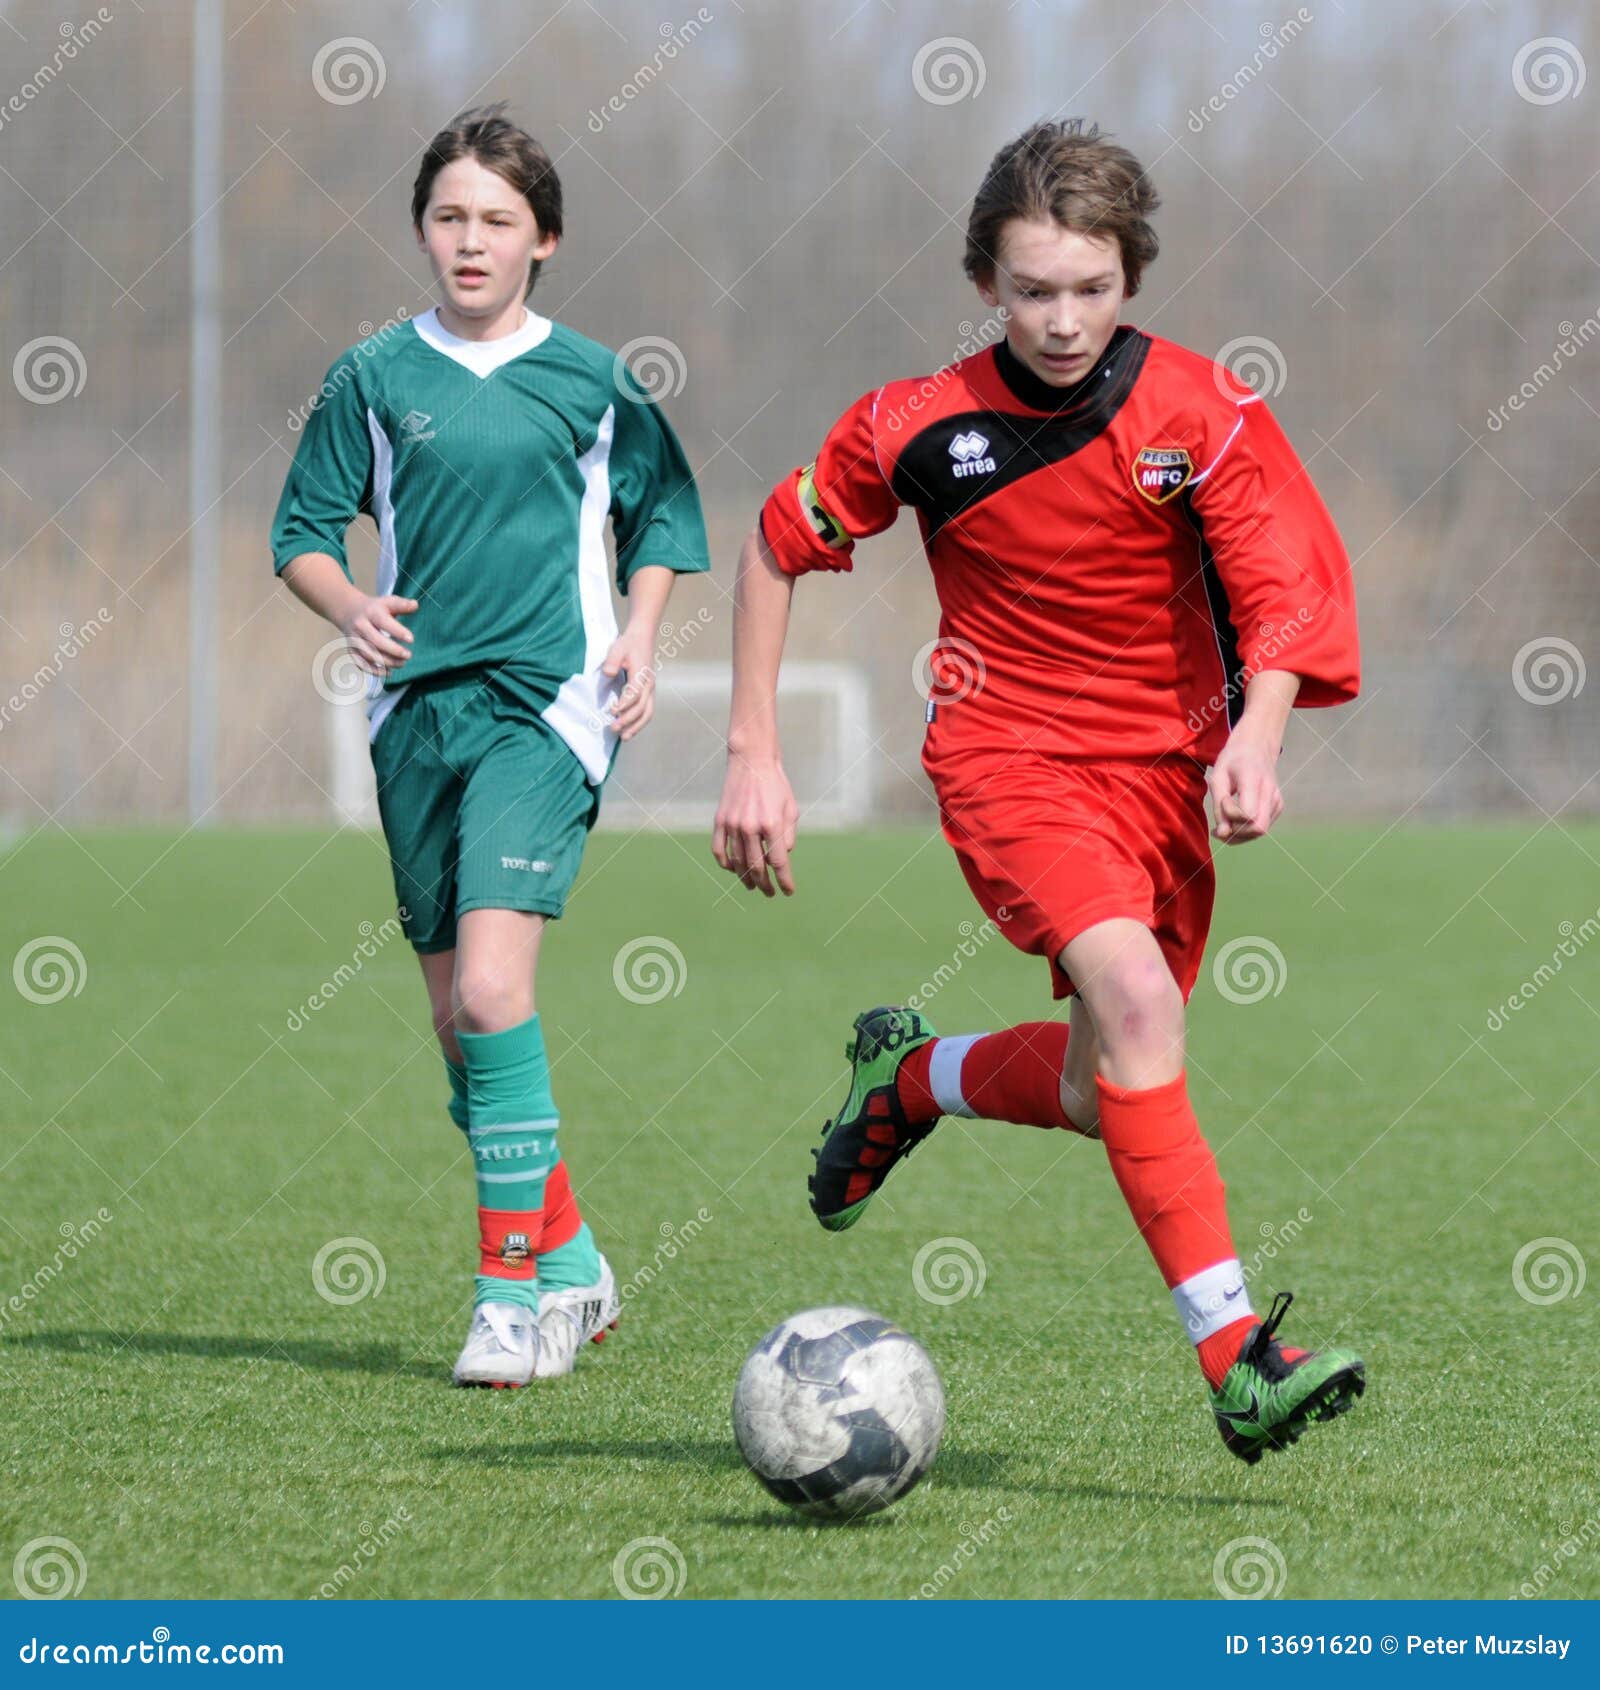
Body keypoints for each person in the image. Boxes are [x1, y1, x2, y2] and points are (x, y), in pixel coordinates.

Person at [713, 118, 1364, 1463]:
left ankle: (913, 1076)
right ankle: (1241, 1356)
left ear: (1131, 276)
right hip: (1007, 758)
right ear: (984, 285)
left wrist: (1258, 733)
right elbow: (777, 549)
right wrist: (753, 749)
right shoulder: (917, 423)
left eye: (1091, 289)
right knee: (1133, 1003)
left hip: (1162, 784)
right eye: (1031, 290)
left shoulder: (1196, 410)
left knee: (1098, 1083)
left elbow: (1284, 578)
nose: (1062, 320)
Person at [271, 104, 710, 1387]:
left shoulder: (593, 380)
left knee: (492, 992)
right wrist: (350, 603)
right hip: (415, 715)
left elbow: (664, 523)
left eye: (497, 222)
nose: (470, 241)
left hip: (548, 705)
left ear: (545, 240)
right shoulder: (370, 376)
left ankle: (510, 1301)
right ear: (423, 227)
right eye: (450, 216)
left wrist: (636, 639)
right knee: (458, 1033)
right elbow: (302, 531)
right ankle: (572, 1256)